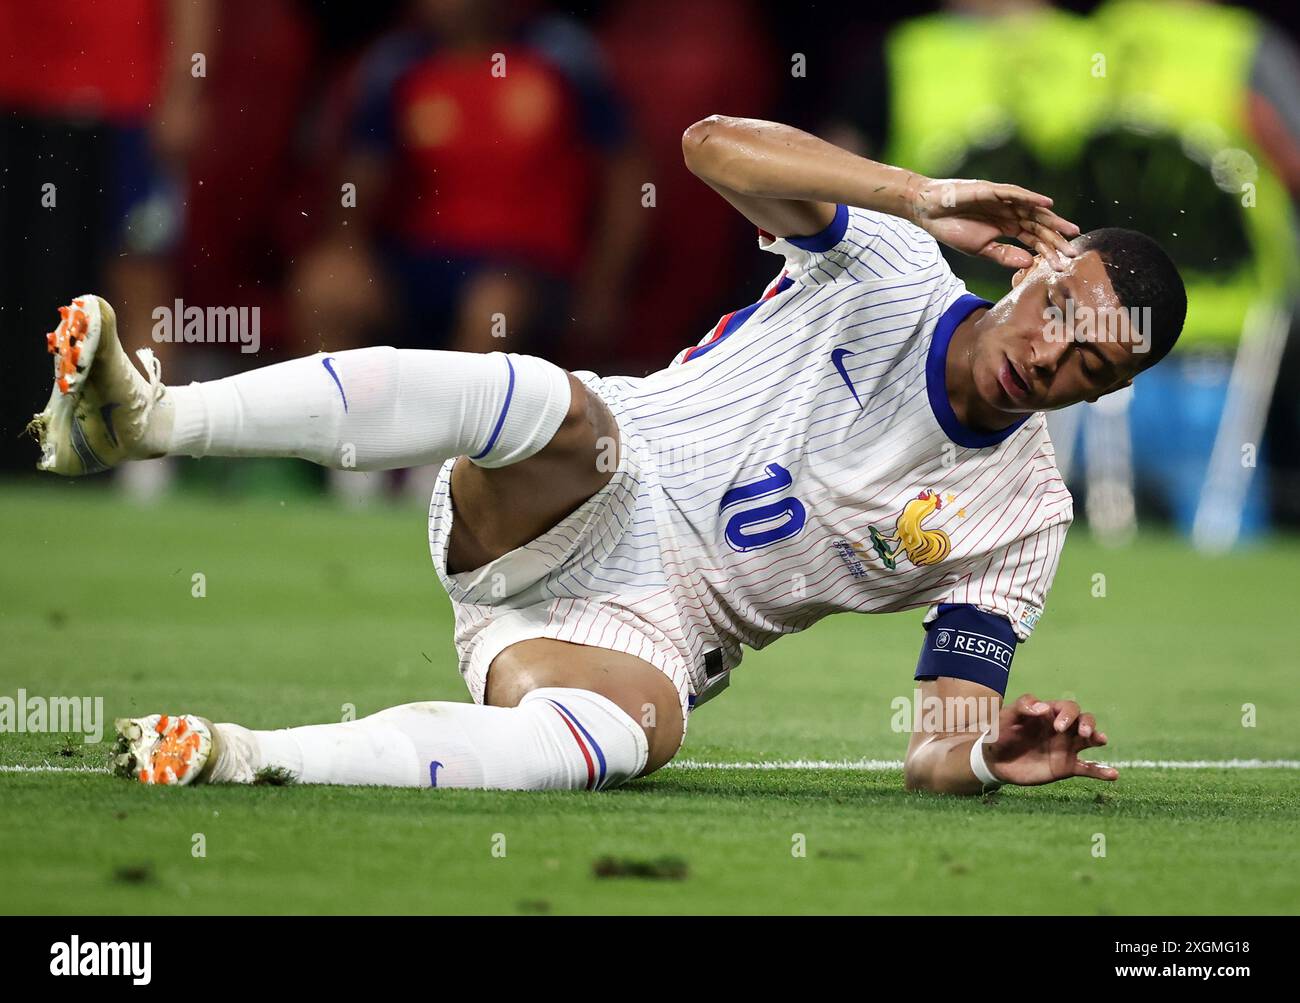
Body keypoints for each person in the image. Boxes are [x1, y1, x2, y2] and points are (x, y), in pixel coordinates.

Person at [30, 116, 1186, 795]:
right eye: (1059, 319)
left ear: (1115, 389)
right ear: (1034, 267)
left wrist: (984, 757)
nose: (1055, 362)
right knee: (559, 406)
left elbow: (936, 743)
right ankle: (149, 421)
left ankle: (239, 755)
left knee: (642, 734)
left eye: (1095, 368)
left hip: (637, 639)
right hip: (573, 487)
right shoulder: (887, 264)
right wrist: (914, 193)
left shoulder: (1022, 517)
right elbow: (708, 145)